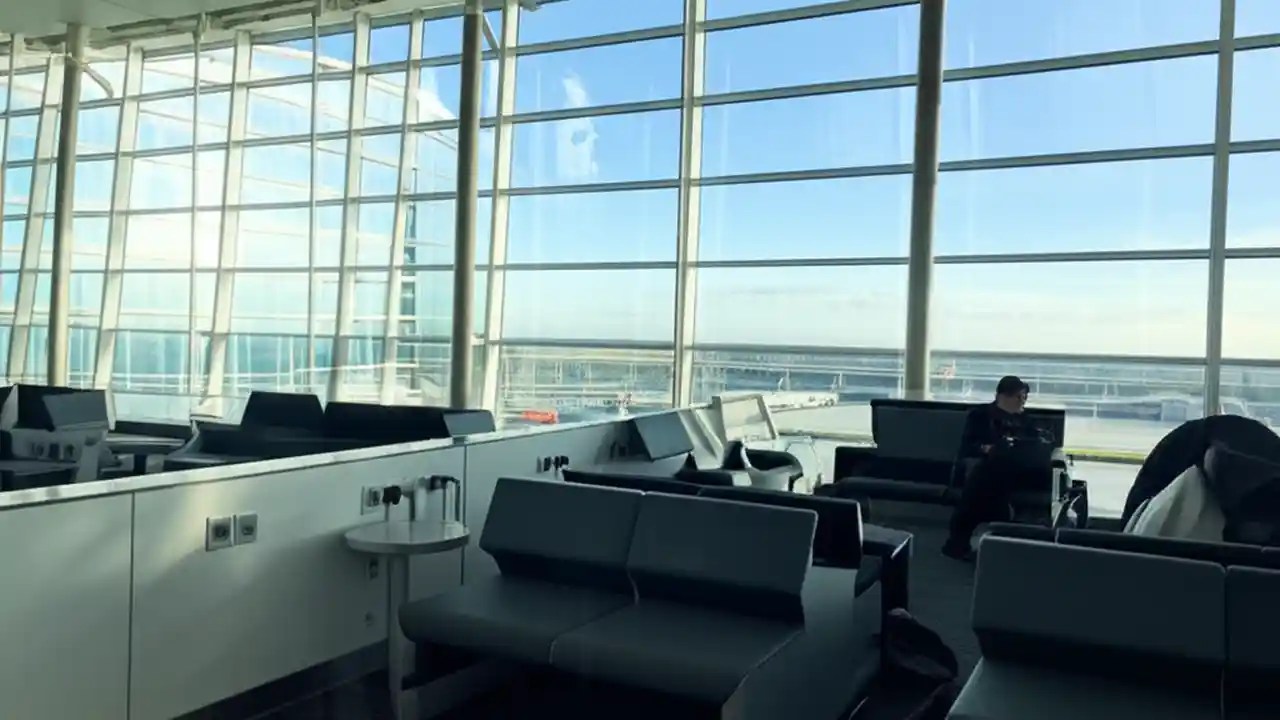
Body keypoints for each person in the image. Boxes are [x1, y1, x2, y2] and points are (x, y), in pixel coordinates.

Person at [942, 376, 1033, 561]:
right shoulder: (980, 415)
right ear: (1003, 396)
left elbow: (1033, 447)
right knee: (987, 472)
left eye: (1024, 397)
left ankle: (959, 541)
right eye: (1019, 397)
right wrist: (987, 448)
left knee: (982, 482)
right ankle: (997, 531)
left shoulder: (1026, 420)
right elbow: (967, 446)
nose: (1022, 401)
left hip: (1013, 469)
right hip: (985, 468)